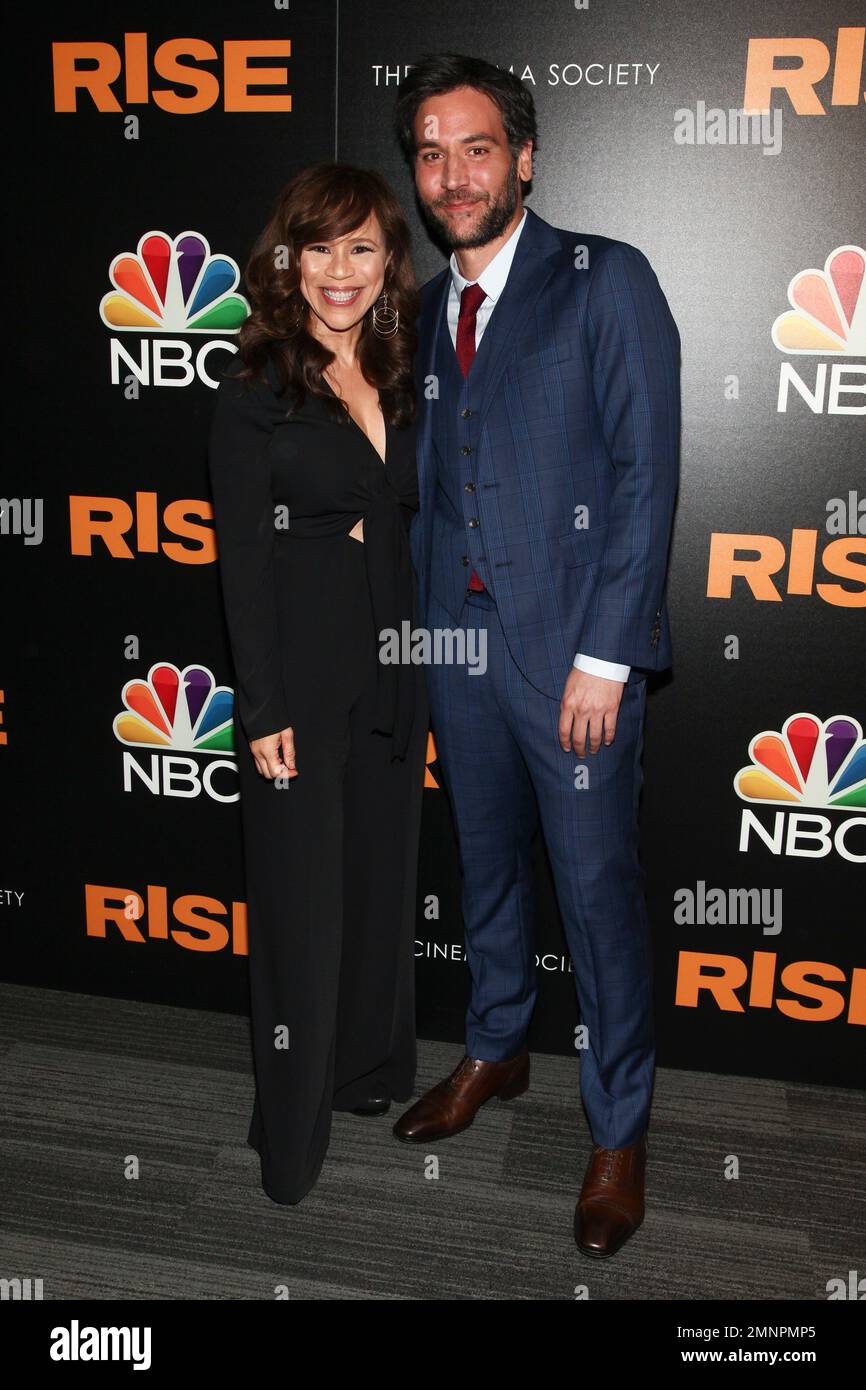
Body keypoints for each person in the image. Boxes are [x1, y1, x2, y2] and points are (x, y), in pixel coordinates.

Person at [391, 54, 681, 1257]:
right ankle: (496, 1046)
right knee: (485, 868)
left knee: (596, 893)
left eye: (474, 148)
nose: (451, 176)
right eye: (428, 152)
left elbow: (642, 474)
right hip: (454, 648)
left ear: (523, 157)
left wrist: (605, 657)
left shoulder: (601, 280)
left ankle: (617, 1127)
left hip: (571, 661)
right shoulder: (417, 307)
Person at [208, 163, 428, 1205]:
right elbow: (242, 559)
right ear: (286, 258)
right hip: (297, 664)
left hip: (393, 658)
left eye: (361, 248)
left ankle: (359, 1072)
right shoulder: (257, 383)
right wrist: (260, 708)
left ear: (388, 263)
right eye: (319, 247)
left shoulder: (402, 364)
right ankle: (287, 1141)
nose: (339, 271)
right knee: (300, 907)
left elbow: (410, 502)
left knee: (379, 880)